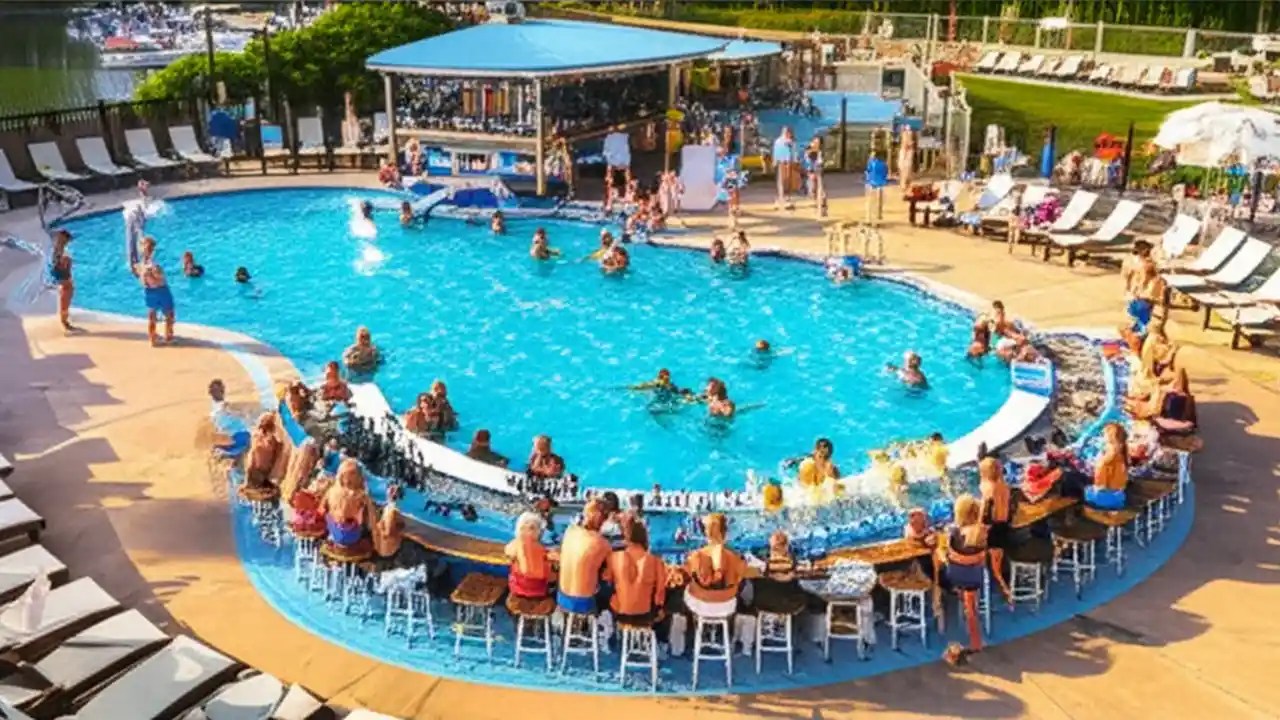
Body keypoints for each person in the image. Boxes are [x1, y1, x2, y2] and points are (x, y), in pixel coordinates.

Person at [943, 494, 988, 664]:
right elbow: (982, 557)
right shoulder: (981, 534)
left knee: (941, 569)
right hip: (973, 578)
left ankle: (948, 599)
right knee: (971, 609)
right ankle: (976, 641)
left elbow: (949, 553)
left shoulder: (954, 532)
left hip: (955, 575)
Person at [603, 517, 666, 626]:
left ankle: (614, 636)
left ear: (626, 538)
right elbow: (660, 592)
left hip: (621, 613)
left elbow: (606, 578)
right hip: (645, 614)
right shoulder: (655, 561)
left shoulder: (614, 557)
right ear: (645, 538)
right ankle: (661, 639)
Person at [683, 513, 747, 619]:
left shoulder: (696, 555)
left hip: (701, 605)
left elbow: (687, 572)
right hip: (727, 605)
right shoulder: (736, 558)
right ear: (725, 532)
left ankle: (693, 627)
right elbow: (741, 575)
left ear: (706, 533)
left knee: (686, 588)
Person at [556, 499, 611, 614]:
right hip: (583, 603)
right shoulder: (602, 543)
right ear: (603, 520)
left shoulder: (570, 531)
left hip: (562, 597)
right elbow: (609, 575)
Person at [978, 456, 1015, 607]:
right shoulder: (1004, 487)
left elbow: (985, 515)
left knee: (996, 570)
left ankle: (1008, 596)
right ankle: (1007, 590)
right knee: (999, 565)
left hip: (993, 530)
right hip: (1004, 526)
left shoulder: (988, 489)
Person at [134, 236, 175, 346]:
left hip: (151, 291)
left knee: (153, 315)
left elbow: (143, 282)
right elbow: (161, 279)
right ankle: (167, 336)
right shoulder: (151, 264)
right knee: (168, 314)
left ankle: (154, 338)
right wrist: (152, 274)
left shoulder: (140, 265)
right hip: (160, 290)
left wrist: (147, 275)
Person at [506, 512, 555, 598]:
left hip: (518, 589)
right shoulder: (541, 548)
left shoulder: (515, 544)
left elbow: (508, 551)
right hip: (540, 590)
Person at [1086, 422, 1129, 510]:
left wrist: (1096, 488)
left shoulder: (1109, 456)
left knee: (1083, 488)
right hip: (1120, 496)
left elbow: (1100, 483)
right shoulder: (1122, 454)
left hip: (1107, 498)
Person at [208, 379, 251, 459]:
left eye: (219, 390)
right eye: (215, 390)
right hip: (234, 438)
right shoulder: (217, 409)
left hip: (239, 436)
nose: (218, 392)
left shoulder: (226, 407)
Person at [245, 413, 285, 490]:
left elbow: (251, 459)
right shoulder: (273, 441)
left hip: (261, 474)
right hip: (263, 474)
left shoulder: (257, 438)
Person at [48, 229, 76, 332]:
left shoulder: (59, 247)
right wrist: (66, 262)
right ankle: (64, 319)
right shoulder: (59, 248)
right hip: (62, 273)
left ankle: (64, 317)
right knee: (66, 293)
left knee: (68, 292)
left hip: (63, 272)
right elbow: (57, 263)